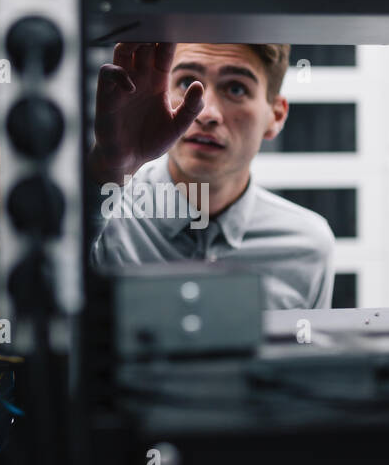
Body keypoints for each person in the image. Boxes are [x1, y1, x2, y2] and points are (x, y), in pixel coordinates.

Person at [88, 41, 335, 309]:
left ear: (276, 115)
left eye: (236, 88)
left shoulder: (307, 247)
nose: (207, 114)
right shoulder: (108, 218)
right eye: (186, 83)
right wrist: (108, 172)